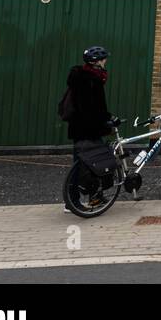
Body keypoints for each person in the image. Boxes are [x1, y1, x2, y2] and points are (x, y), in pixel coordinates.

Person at [65, 46, 116, 207]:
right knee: (83, 165)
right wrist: (106, 119)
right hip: (86, 129)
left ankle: (94, 197)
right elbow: (92, 107)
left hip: (85, 128)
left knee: (92, 164)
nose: (105, 61)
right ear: (97, 62)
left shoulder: (87, 77)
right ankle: (72, 202)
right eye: (104, 59)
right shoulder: (90, 80)